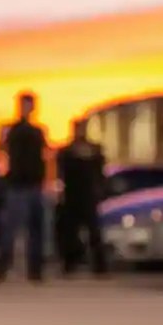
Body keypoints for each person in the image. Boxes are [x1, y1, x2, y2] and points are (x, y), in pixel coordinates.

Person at [0, 91, 47, 283]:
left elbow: (45, 156)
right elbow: (0, 152)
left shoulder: (38, 131)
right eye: (24, 105)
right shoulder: (10, 130)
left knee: (36, 230)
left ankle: (35, 271)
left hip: (34, 185)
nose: (27, 109)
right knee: (11, 229)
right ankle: (2, 268)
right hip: (16, 185)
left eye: (30, 105)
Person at [55, 118, 109, 276]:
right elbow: (62, 171)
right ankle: (69, 264)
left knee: (94, 233)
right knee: (70, 233)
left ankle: (100, 267)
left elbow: (100, 172)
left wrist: (100, 190)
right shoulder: (66, 151)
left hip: (89, 196)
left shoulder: (94, 149)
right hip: (72, 195)